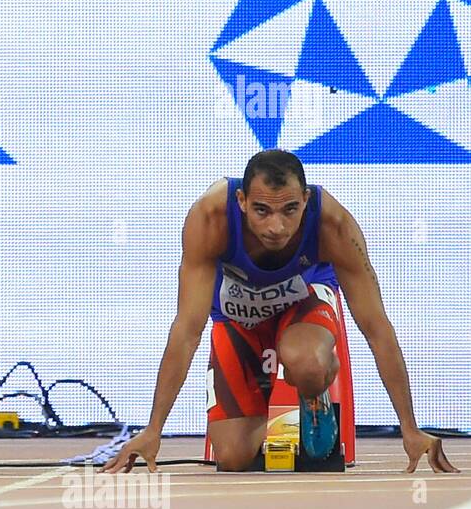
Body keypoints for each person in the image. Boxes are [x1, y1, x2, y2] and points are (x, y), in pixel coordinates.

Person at [105, 150, 458, 474]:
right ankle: (271, 411)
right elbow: (187, 330)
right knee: (232, 457)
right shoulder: (210, 218)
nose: (277, 227)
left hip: (303, 304)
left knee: (306, 361)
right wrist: (154, 430)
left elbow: (376, 327)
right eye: (262, 210)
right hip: (236, 317)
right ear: (241, 201)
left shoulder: (333, 225)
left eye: (290, 209)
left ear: (306, 200)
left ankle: (316, 382)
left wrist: (409, 429)